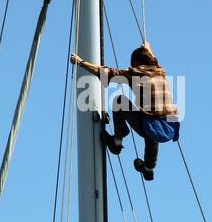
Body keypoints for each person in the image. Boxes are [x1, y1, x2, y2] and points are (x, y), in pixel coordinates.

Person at [71, 41, 180, 181]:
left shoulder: (134, 73)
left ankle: (117, 142)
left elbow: (105, 73)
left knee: (120, 101)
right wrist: (148, 48)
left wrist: (81, 62)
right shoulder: (160, 71)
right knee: (152, 123)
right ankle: (148, 168)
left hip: (152, 127)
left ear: (136, 62)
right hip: (171, 126)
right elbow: (153, 59)